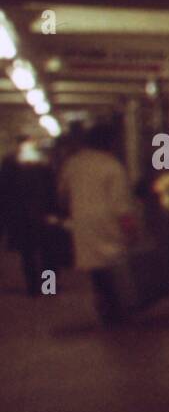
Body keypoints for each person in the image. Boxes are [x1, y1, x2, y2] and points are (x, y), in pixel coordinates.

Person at [59, 124, 138, 324]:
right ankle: (115, 311)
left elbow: (62, 193)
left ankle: (104, 307)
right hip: (108, 222)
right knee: (113, 266)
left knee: (96, 269)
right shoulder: (112, 165)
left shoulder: (74, 163)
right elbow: (122, 205)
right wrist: (131, 230)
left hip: (82, 222)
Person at [0, 135, 60, 296]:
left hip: (22, 216)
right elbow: (52, 189)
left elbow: (4, 191)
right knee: (47, 253)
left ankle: (33, 287)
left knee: (28, 254)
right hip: (43, 214)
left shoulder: (10, 163)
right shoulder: (44, 162)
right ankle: (49, 287)